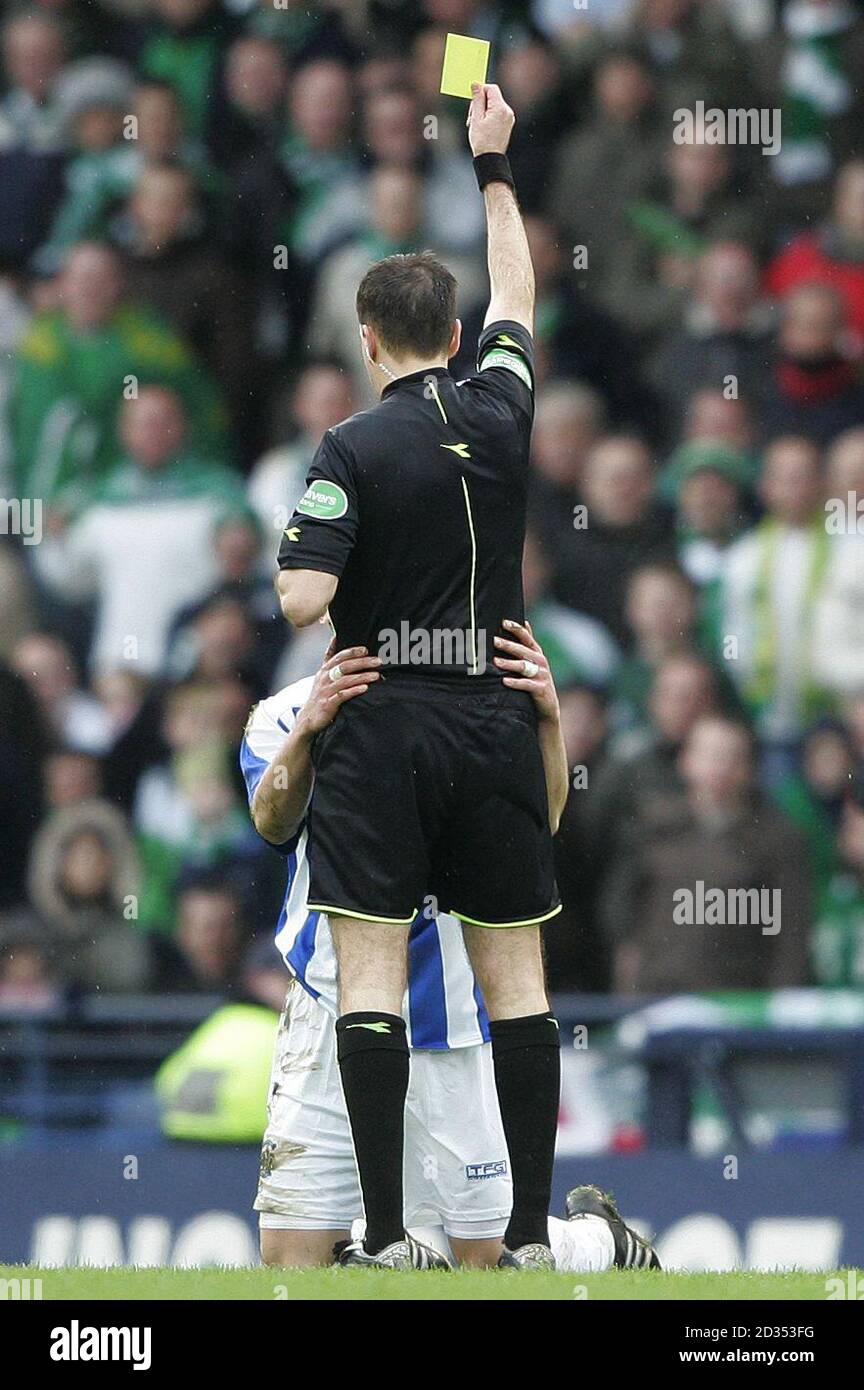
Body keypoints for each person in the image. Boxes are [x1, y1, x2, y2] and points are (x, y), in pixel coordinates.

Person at [275, 84, 564, 1270]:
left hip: (386, 728)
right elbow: (523, 292)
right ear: (456, 337)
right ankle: (539, 1239)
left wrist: (338, 584)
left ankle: (389, 1236)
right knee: (520, 988)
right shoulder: (503, 408)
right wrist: (492, 166)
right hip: (494, 717)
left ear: (366, 336)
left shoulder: (348, 445)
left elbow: (298, 598)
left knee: (373, 980)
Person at [242, 632, 658, 1272]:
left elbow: (543, 820)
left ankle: (602, 1242)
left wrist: (547, 721)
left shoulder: (488, 697)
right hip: (329, 1004)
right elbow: (270, 820)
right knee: (294, 1259)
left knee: (491, 1262)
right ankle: (399, 1251)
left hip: (455, 1010)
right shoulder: (283, 711)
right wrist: (306, 736)